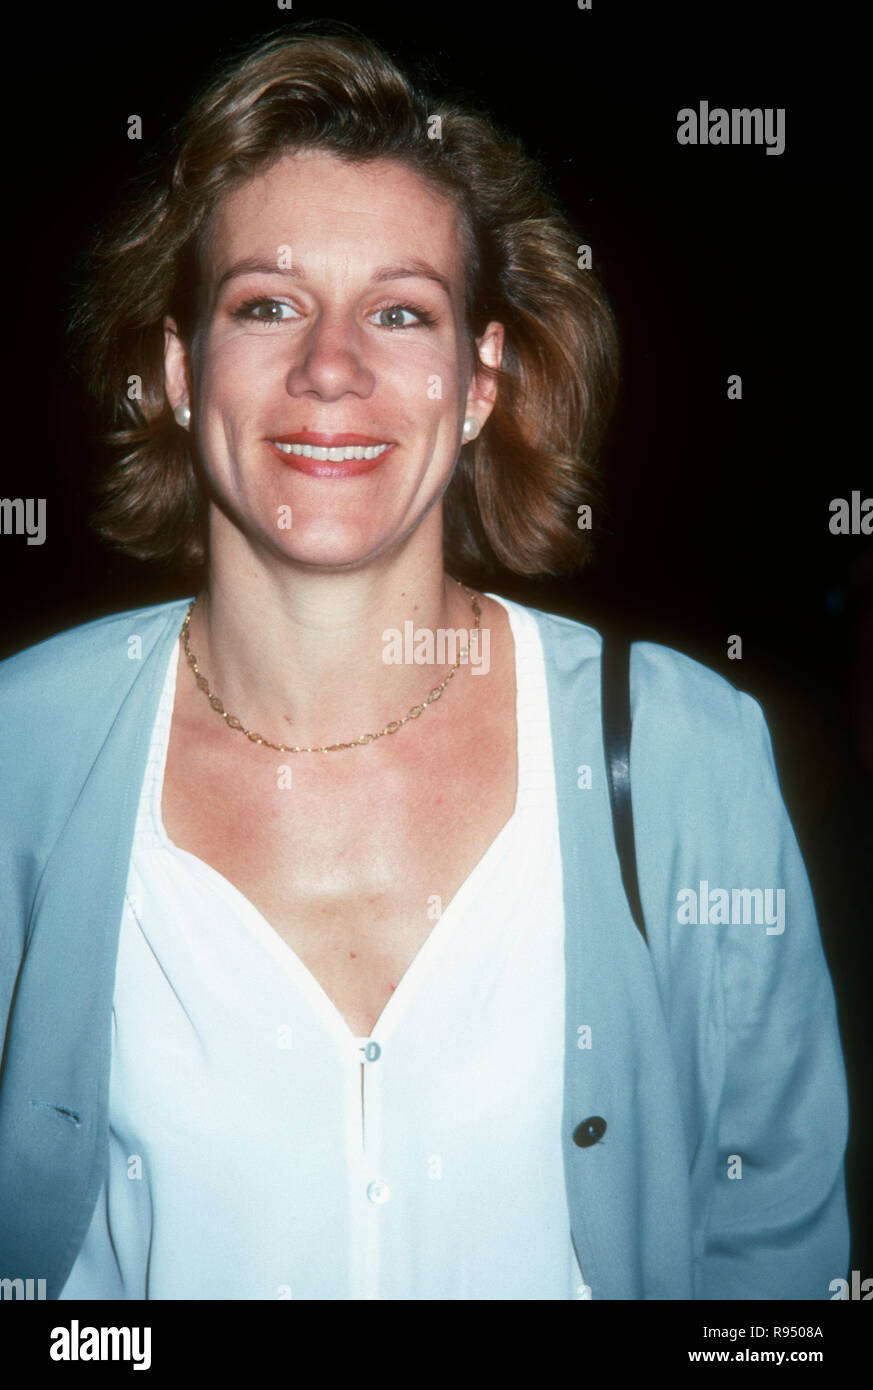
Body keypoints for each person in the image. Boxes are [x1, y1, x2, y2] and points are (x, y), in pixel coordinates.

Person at [0, 23, 849, 1300]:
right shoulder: (25, 748)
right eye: (267, 305)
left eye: (401, 311)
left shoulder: (681, 756)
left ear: (478, 381)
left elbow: (775, 1243)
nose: (330, 369)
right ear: (179, 371)